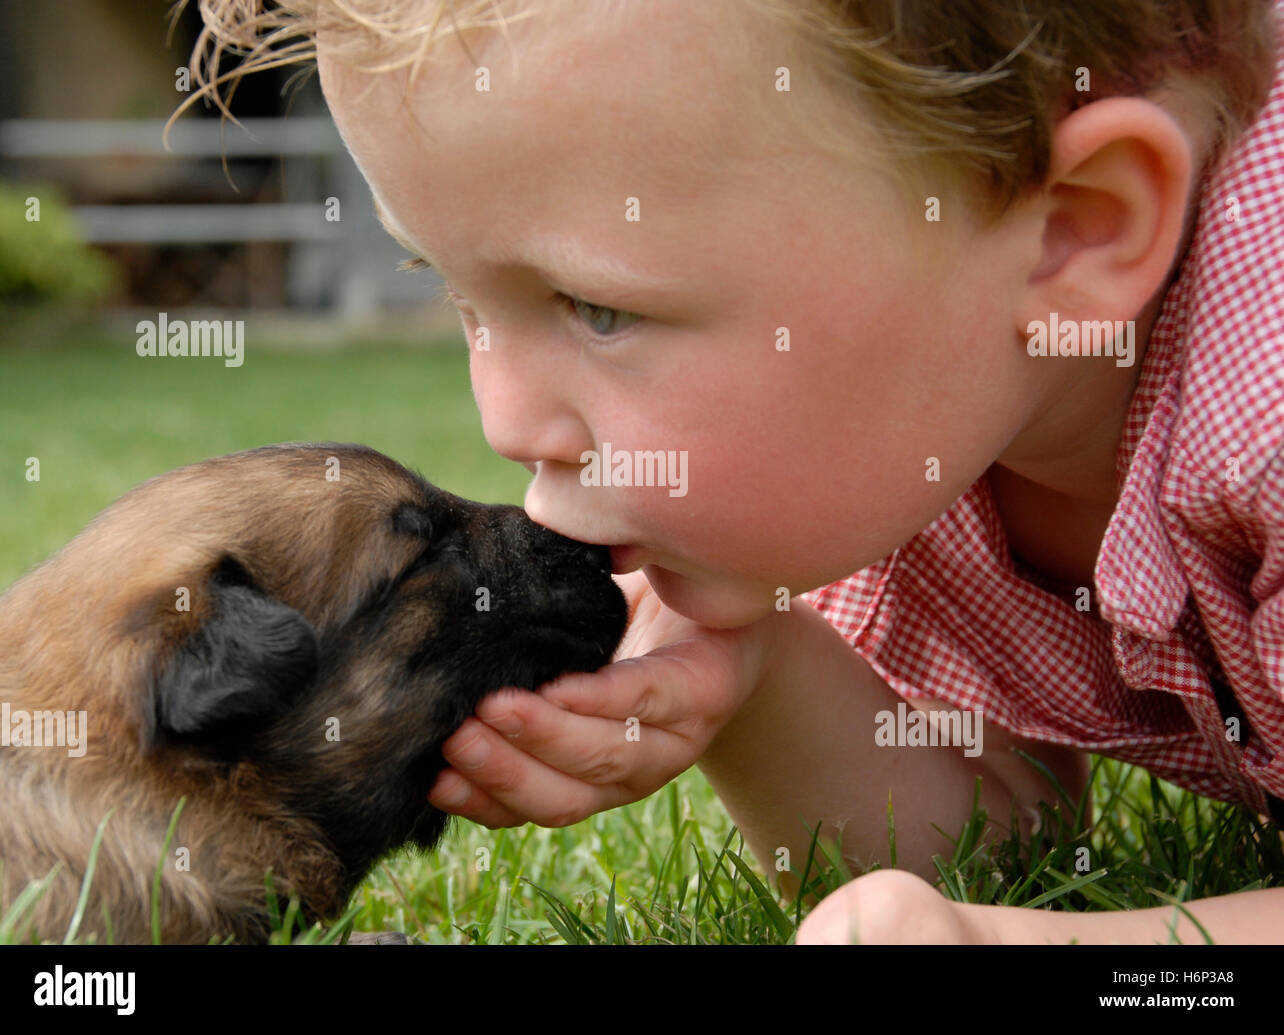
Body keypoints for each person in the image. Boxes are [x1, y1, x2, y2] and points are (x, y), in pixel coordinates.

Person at [181, 0, 1284, 942]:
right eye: (452, 287)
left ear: (1076, 232)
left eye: (598, 306)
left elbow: (1021, 915)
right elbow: (1004, 843)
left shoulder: (1263, 414)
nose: (503, 420)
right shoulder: (922, 417)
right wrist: (759, 682)